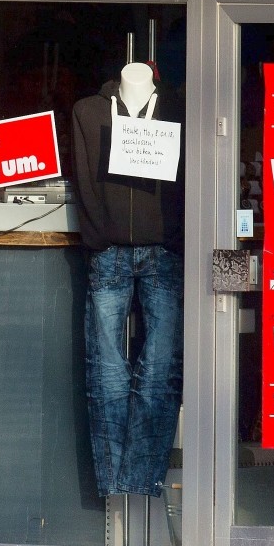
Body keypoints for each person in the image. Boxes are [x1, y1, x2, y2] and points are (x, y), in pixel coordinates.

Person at [70, 63, 186, 499]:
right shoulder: (88, 111)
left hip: (164, 250)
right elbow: (84, 180)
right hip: (109, 250)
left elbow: (187, 179)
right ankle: (115, 482)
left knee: (159, 369)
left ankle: (137, 481)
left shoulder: (181, 109)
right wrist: (100, 237)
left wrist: (174, 233)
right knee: (106, 369)